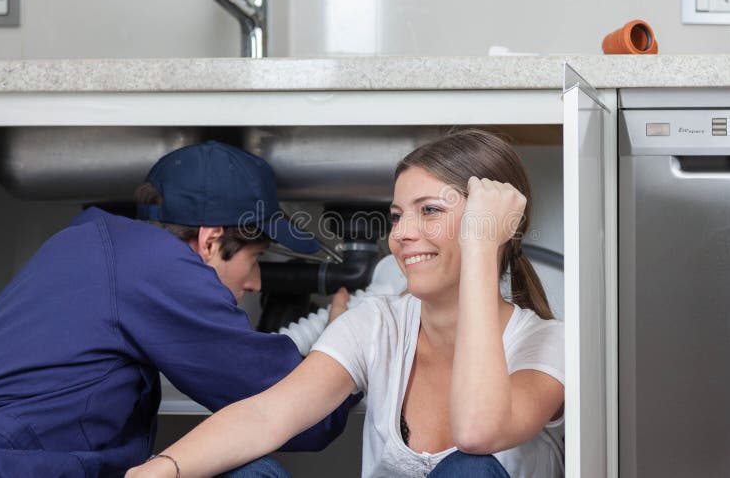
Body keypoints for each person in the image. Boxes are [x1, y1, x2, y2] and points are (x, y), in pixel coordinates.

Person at [127, 129, 565, 478]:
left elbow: (477, 432)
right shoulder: (377, 323)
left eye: (429, 210)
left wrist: (482, 250)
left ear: (490, 228)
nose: (402, 234)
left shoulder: (546, 344)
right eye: (396, 216)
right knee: (251, 471)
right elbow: (265, 415)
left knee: (468, 470)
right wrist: (161, 470)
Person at [0, 141, 358, 478]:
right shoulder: (157, 268)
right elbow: (306, 418)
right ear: (210, 240)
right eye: (255, 257)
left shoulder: (96, 243)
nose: (256, 283)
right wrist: (347, 345)